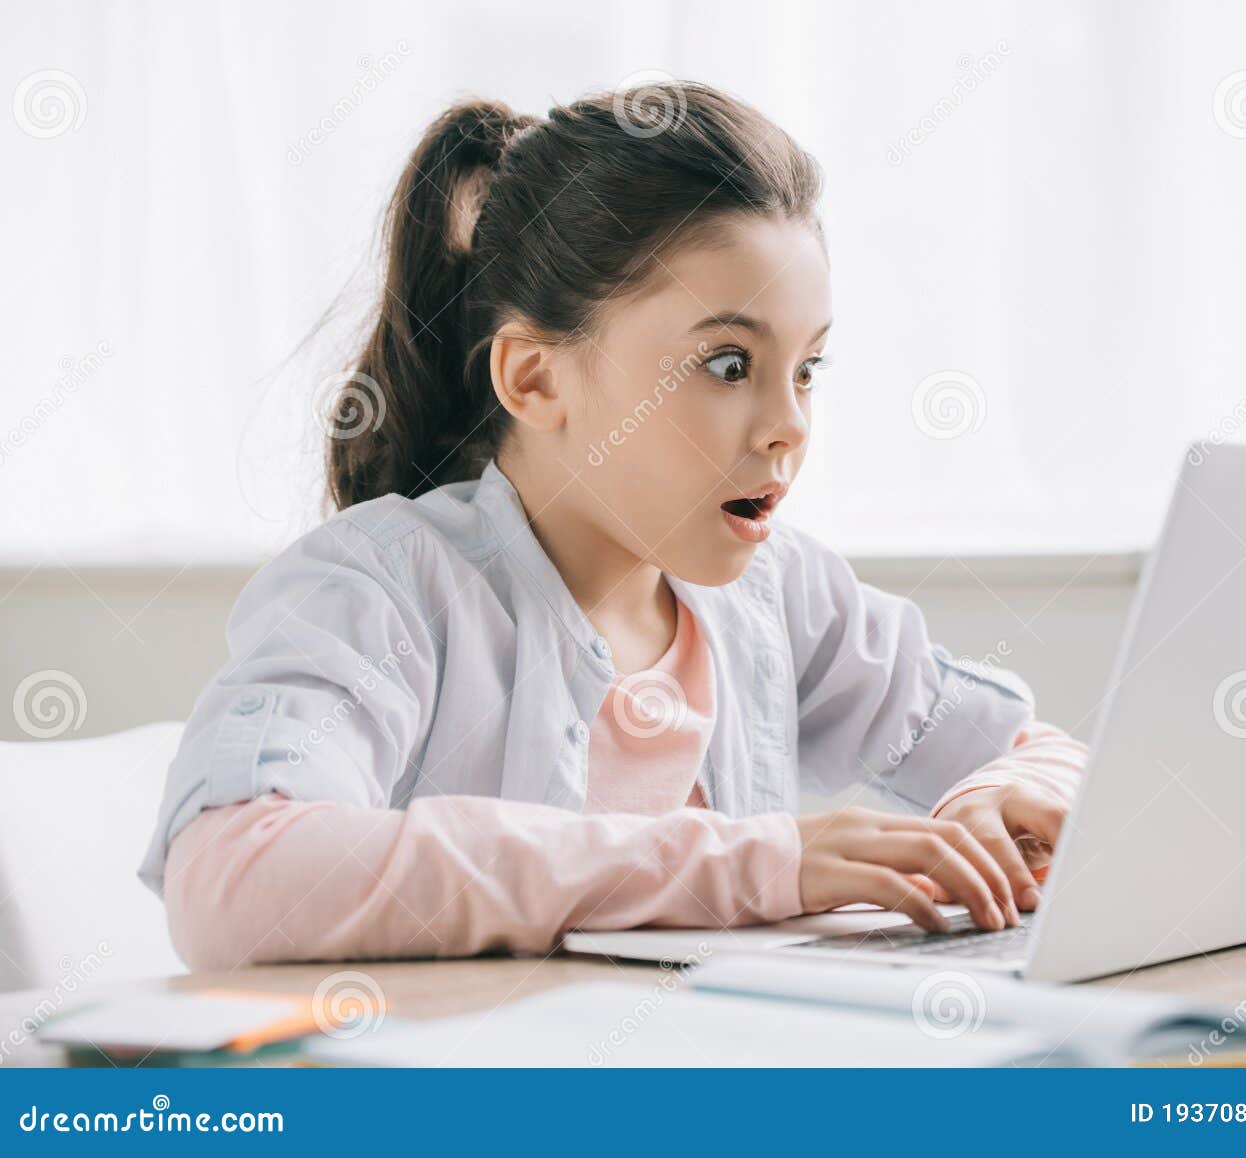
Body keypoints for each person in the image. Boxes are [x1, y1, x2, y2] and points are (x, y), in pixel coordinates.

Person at [138, 82, 1089, 968]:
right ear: (535, 378)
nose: (790, 425)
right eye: (726, 364)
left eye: (808, 369)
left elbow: (1048, 750)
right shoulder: (379, 589)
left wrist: (1006, 798)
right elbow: (234, 873)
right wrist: (752, 864)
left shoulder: (781, 593)